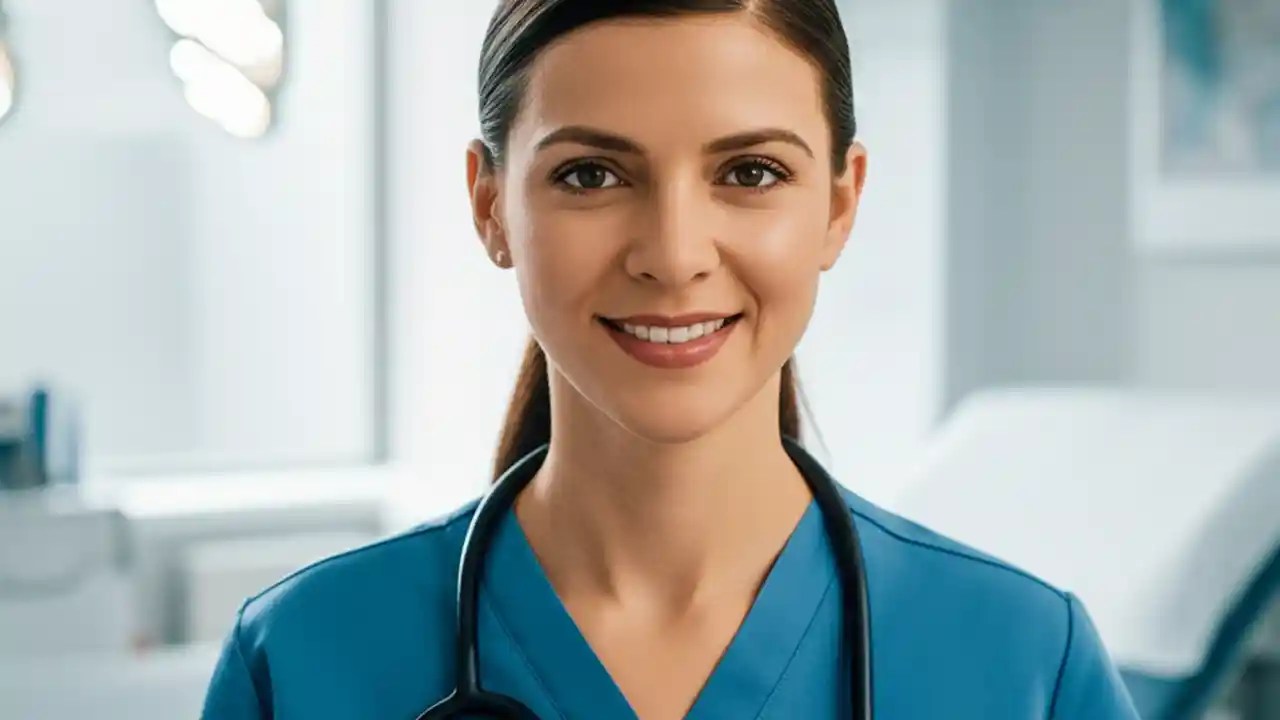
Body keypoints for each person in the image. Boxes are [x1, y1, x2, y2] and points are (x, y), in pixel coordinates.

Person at [201, 1, 1141, 717]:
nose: (675, 251)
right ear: (491, 206)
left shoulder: (1026, 664)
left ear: (840, 204)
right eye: (591, 175)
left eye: (750, 173)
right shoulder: (301, 660)